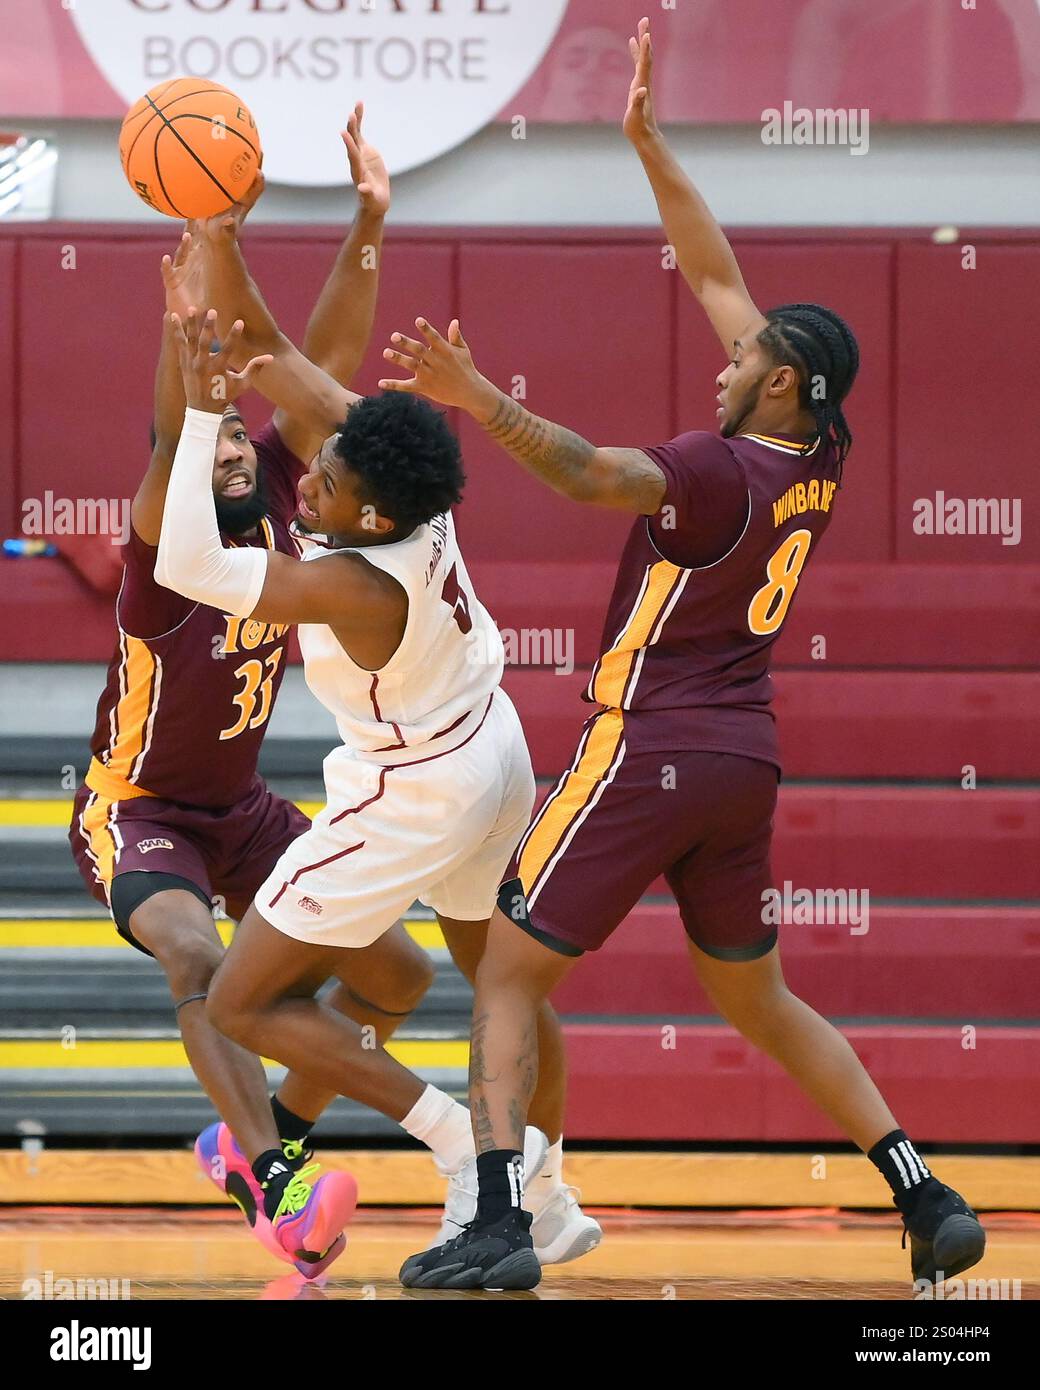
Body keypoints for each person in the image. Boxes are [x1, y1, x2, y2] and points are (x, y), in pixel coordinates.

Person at [386, 18, 987, 1291]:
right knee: (759, 997)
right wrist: (650, 147)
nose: (726, 357)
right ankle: (917, 1186)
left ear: (778, 386)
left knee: (500, 970)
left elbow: (591, 472)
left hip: (644, 741)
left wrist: (473, 392)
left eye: (744, 359)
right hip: (739, 758)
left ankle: (498, 1223)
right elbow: (718, 277)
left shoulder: (711, 471)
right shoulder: (818, 449)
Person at [150, 190, 598, 1266]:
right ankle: (541, 1191)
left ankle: (458, 1151)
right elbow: (271, 347)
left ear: (374, 520)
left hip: (415, 790)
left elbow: (187, 566)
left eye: (329, 487)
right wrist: (219, 239)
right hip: (491, 748)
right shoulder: (402, 482)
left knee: (241, 999)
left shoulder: (359, 584)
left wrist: (207, 412)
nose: (308, 483)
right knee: (504, 976)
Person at [69, 109, 434, 1277]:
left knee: (399, 976)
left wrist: (368, 221)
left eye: (239, 439)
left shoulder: (279, 497)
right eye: (210, 443)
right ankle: (276, 1184)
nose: (231, 447)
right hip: (138, 810)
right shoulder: (161, 551)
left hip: (243, 807)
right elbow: (185, 415)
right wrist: (190, 304)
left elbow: (314, 358)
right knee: (200, 963)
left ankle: (254, 1137)